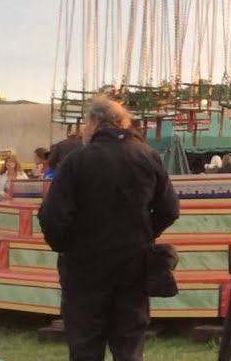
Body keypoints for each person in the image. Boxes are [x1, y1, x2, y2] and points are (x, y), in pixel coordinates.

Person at [38, 95, 180, 361]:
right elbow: (170, 210)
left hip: (84, 269)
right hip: (133, 267)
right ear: (122, 123)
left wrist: (67, 245)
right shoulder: (148, 157)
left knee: (85, 348)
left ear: (94, 122)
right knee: (129, 349)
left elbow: (52, 217)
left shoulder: (76, 161)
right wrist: (144, 234)